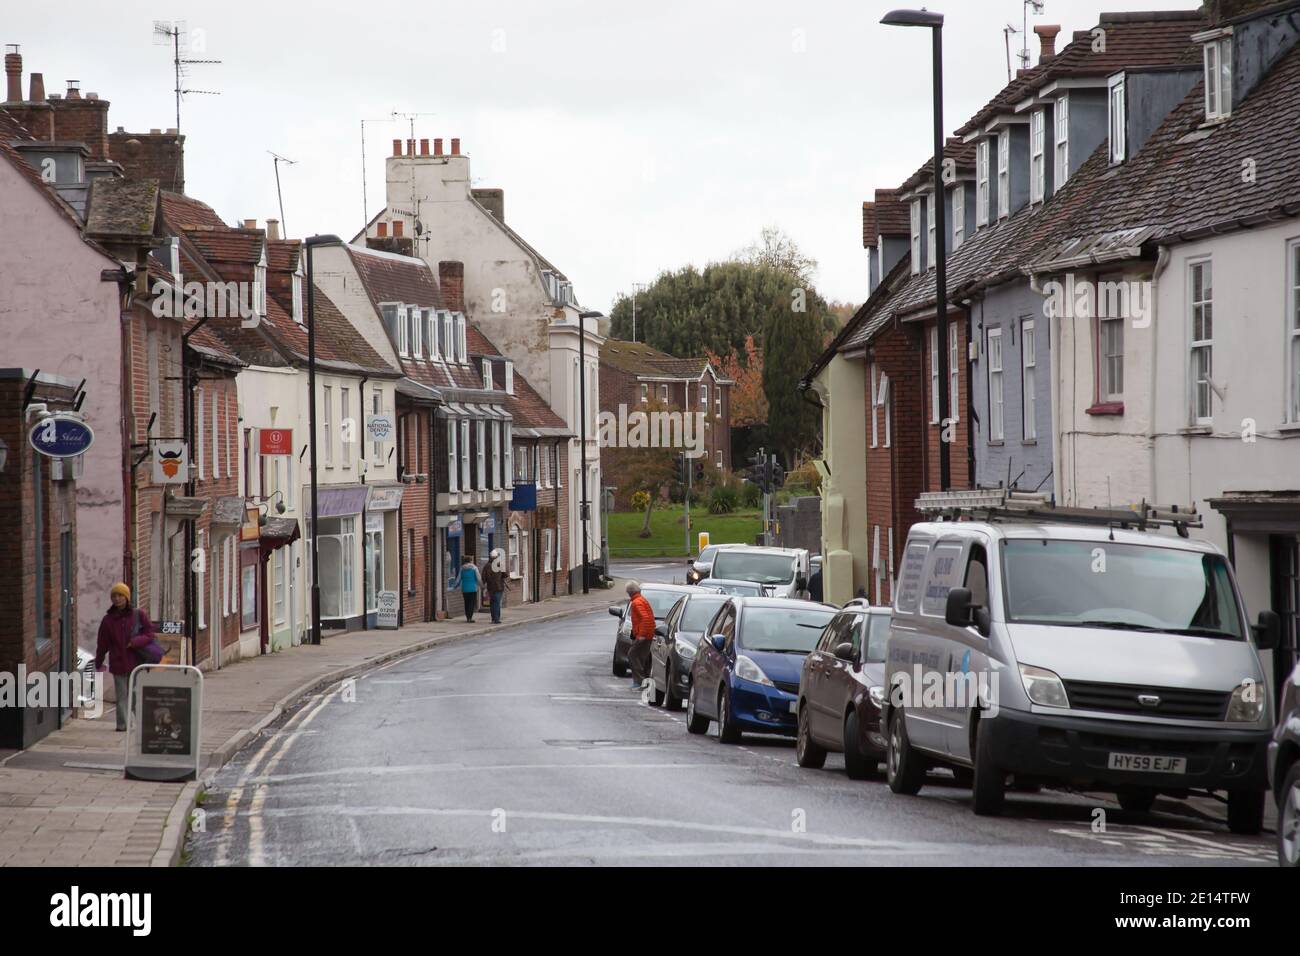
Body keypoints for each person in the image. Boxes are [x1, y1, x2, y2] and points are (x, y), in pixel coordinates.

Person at [93, 582, 156, 731]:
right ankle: (122, 725)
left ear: (127, 597)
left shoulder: (138, 615)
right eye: (114, 596)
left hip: (136, 662)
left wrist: (135, 642)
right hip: (118, 663)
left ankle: (141, 723)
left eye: (120, 595)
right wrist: (98, 661)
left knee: (135, 695)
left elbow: (150, 634)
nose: (117, 598)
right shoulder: (108, 620)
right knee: (121, 696)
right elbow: (102, 643)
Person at [625, 580, 655, 690]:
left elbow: (645, 619)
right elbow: (647, 618)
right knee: (643, 658)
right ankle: (645, 681)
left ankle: (639, 681)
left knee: (632, 655)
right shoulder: (642, 600)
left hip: (643, 636)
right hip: (647, 634)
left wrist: (641, 635)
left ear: (629, 592)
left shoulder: (636, 603)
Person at [482, 549, 509, 624]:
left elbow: (483, 578)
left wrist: (484, 584)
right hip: (499, 587)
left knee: (492, 603)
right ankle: (497, 619)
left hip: (490, 587)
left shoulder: (486, 566)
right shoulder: (499, 564)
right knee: (497, 603)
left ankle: (493, 619)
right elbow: (505, 575)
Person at [459, 557, 482, 622]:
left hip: (465, 589)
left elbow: (458, 579)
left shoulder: (462, 568)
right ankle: (470, 618)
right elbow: (478, 578)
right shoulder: (474, 568)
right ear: (470, 561)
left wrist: (454, 586)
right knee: (471, 603)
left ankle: (467, 617)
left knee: (466, 603)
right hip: (473, 588)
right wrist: (482, 585)